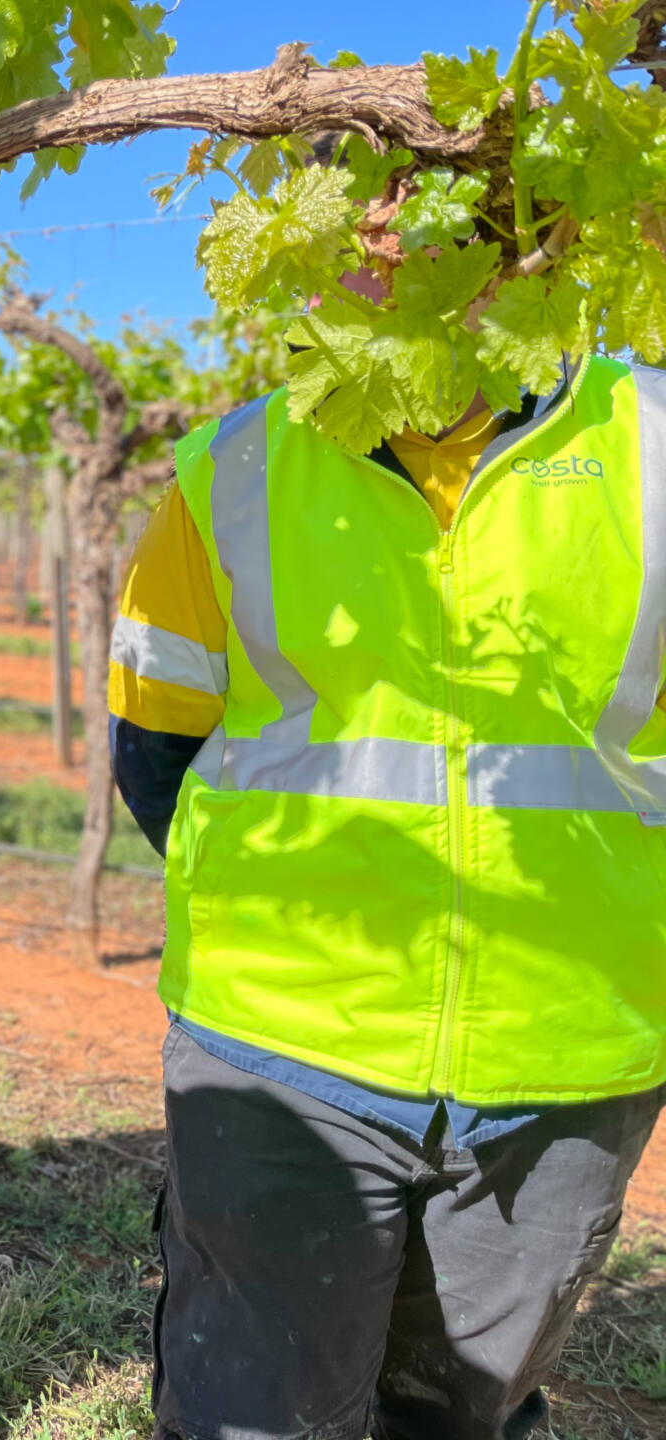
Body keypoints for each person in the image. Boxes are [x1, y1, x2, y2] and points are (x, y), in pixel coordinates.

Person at [112, 312, 666, 1437]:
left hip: (571, 1057)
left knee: (462, 1417)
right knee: (251, 1415)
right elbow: (156, 750)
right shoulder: (234, 466)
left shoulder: (652, 443)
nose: (392, 266)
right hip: (280, 1049)